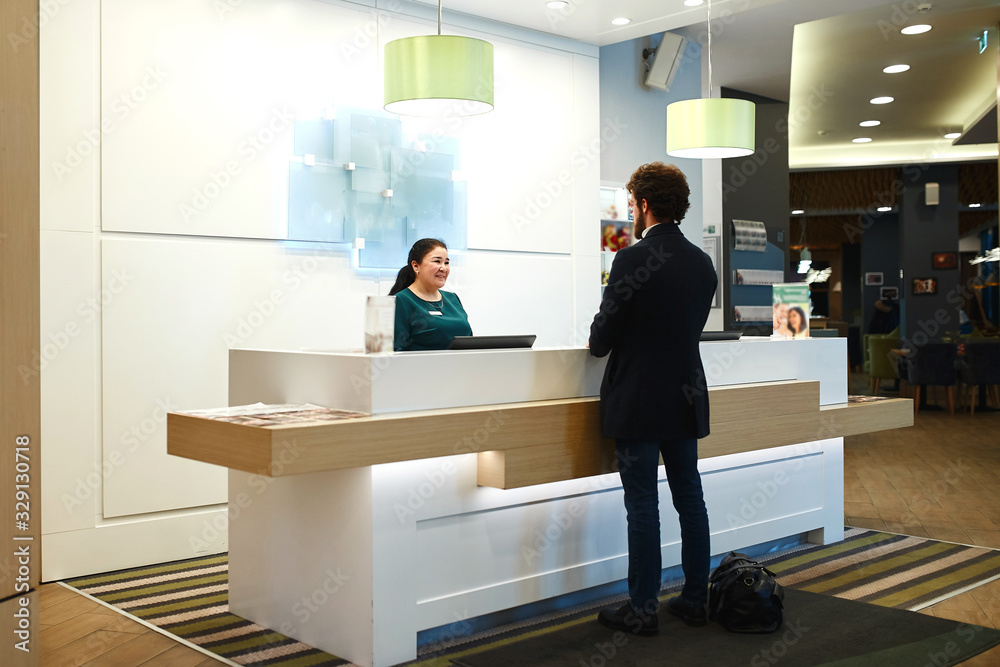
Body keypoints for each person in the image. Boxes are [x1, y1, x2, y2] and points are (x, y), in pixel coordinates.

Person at [588, 162, 717, 636]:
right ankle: (695, 599)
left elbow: (602, 339)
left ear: (643, 205)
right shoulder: (702, 264)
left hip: (639, 401)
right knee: (690, 496)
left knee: (642, 503)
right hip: (685, 395)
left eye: (632, 204)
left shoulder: (630, 259)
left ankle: (643, 609)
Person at [389, 238, 472, 351]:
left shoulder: (453, 298)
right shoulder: (401, 301)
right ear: (416, 266)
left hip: (462, 367)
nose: (443, 268)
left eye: (446, 263)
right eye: (437, 261)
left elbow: (470, 343)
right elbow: (396, 350)